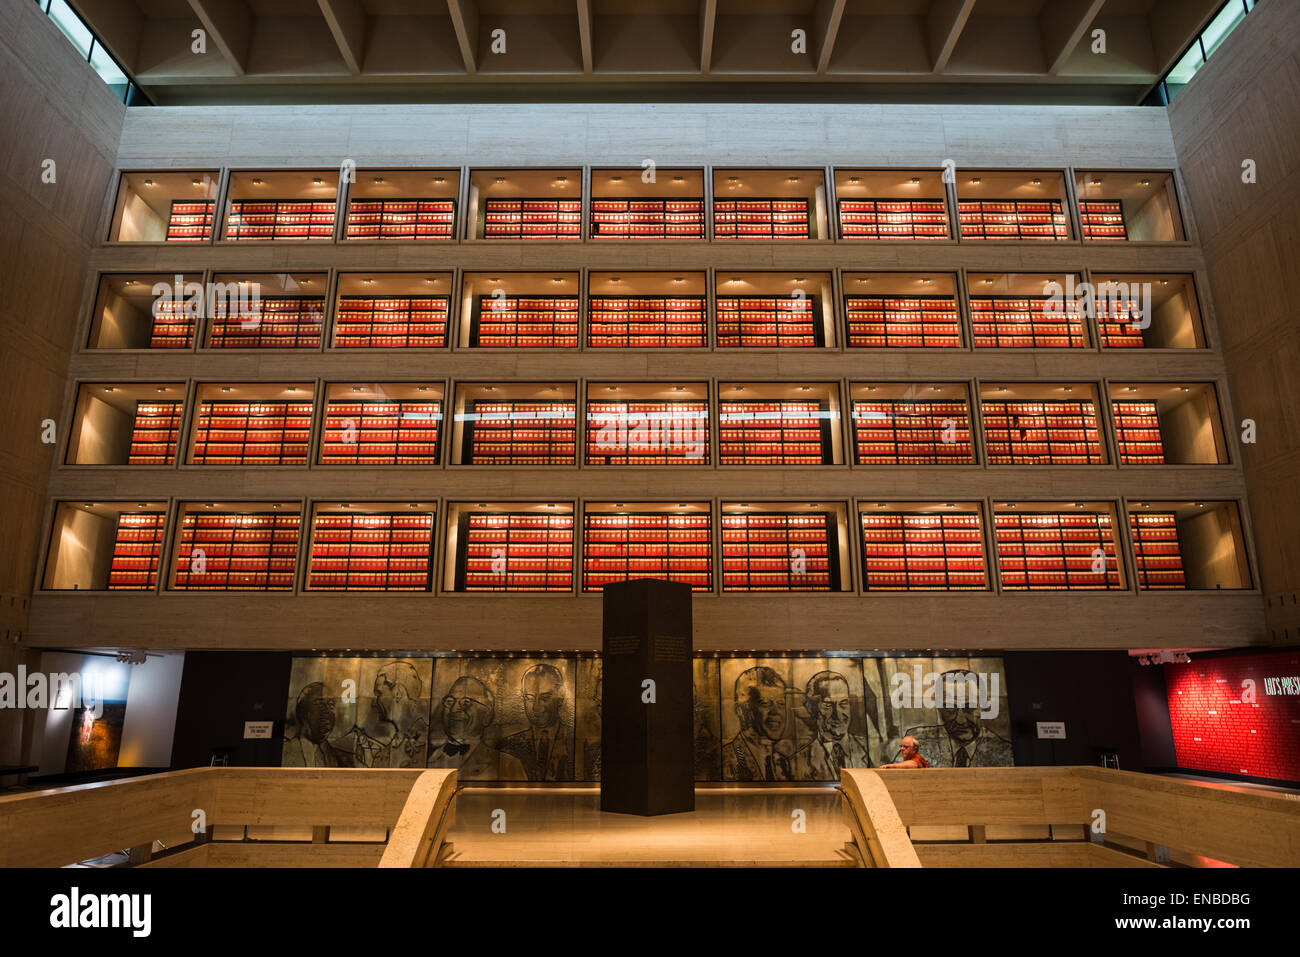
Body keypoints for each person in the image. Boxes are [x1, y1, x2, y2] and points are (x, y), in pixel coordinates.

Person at [905, 669, 1013, 767]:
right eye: (950, 708)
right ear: (939, 709)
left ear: (983, 707)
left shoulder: (1004, 752)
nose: (960, 720)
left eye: (969, 707)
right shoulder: (918, 743)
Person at [428, 675, 526, 781]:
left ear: (487, 716)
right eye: (450, 701)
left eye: (466, 702)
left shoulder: (508, 765)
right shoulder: (427, 758)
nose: (454, 709)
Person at [345, 660, 429, 768]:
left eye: (379, 694)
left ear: (397, 693)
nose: (375, 703)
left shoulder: (426, 744)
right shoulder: (387, 749)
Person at [499, 663, 573, 780]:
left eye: (545, 698)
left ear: (561, 697)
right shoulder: (508, 745)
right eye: (529, 698)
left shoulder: (576, 743)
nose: (536, 707)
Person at [793, 670, 871, 780]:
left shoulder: (869, 750)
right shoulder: (797, 761)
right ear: (812, 709)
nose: (838, 715)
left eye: (843, 703)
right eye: (828, 705)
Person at [722, 666, 794, 781]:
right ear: (741, 710)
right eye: (765, 703)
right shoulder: (725, 758)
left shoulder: (782, 762)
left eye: (780, 704)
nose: (775, 712)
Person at [282, 681, 351, 767]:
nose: (326, 710)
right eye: (319, 703)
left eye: (331, 705)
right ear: (302, 711)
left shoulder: (343, 759)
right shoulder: (284, 750)